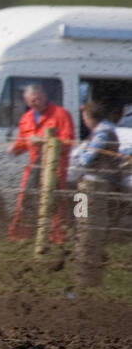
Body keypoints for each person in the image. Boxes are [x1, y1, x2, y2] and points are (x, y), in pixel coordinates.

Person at [7, 83, 74, 243]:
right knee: (25, 199)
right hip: (33, 166)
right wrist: (14, 149)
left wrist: (44, 141)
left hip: (55, 166)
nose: (34, 102)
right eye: (31, 100)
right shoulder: (26, 118)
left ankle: (57, 238)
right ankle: (21, 237)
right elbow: (23, 142)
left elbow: (68, 141)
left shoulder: (61, 114)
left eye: (37, 98)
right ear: (26, 101)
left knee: (55, 201)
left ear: (44, 97)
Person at [70, 99, 122, 188]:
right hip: (100, 175)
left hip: (99, 178)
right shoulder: (102, 130)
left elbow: (85, 160)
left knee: (75, 187)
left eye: (85, 119)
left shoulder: (102, 134)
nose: (85, 122)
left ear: (90, 119)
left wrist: (77, 157)